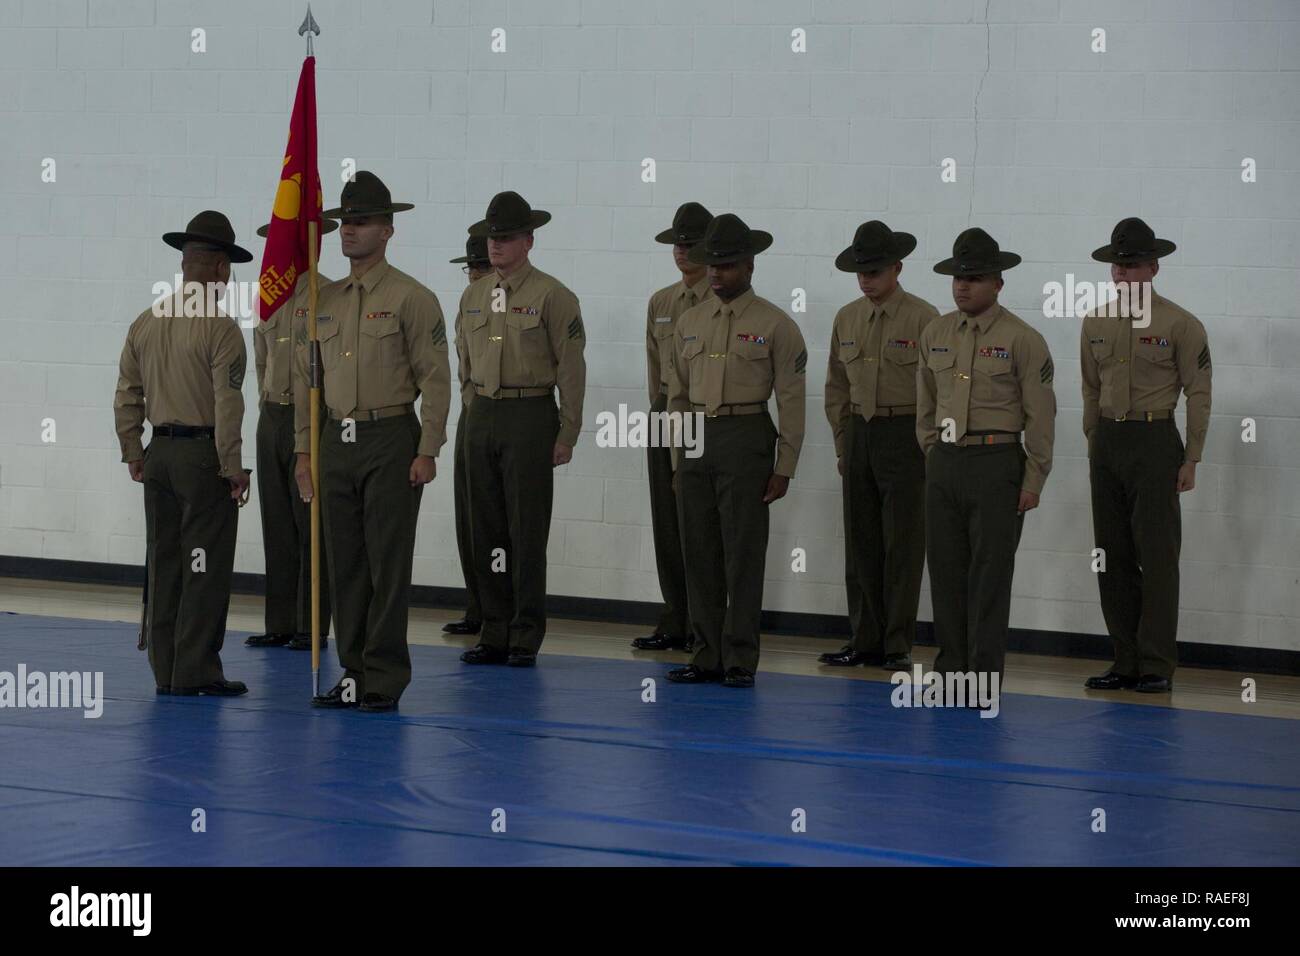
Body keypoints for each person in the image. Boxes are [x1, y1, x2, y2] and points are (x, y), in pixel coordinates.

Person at [293, 171, 451, 713]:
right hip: (336, 437)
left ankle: (384, 675)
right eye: (344, 222)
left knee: (387, 563)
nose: (348, 231)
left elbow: (435, 377)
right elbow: (305, 383)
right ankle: (353, 672)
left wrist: (428, 448)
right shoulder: (325, 299)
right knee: (346, 565)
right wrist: (304, 450)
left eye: (361, 222)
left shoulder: (413, 297)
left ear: (388, 229)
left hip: (390, 437)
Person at [665, 213, 807, 689]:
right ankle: (705, 653)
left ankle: (740, 656)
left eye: (726, 266)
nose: (716, 273)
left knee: (742, 553)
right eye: (711, 265)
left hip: (747, 436)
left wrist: (784, 465)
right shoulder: (688, 322)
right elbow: (677, 396)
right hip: (697, 439)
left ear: (748, 266)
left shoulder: (775, 324)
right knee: (699, 551)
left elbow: (791, 402)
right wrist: (677, 458)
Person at [113, 210, 251, 696]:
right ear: (218, 269)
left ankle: (165, 671)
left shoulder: (146, 321)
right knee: (203, 566)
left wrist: (134, 449)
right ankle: (196, 672)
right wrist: (232, 468)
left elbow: (127, 394)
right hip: (202, 458)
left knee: (165, 563)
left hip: (159, 458)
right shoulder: (222, 329)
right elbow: (226, 404)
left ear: (184, 264)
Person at [917, 227, 1055, 693]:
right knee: (945, 571)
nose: (962, 286)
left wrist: (1033, 477)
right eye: (957, 277)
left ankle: (981, 679)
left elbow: (1040, 415)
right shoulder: (935, 333)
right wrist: (933, 451)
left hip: (997, 462)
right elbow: (926, 403)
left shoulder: (1023, 339)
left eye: (973, 278)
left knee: (989, 576)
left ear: (998, 282)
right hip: (946, 461)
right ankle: (950, 672)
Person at [1080, 218, 1212, 694]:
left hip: (1156, 442)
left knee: (1156, 557)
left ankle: (1156, 663)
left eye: (1134, 265)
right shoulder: (1095, 320)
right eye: (1119, 266)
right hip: (1109, 445)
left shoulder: (1180, 324)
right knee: (1111, 556)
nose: (1124, 274)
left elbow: (1199, 393)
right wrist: (1093, 440)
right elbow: (1090, 389)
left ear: (1154, 268)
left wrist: (1191, 457)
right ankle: (1125, 660)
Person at [456, 191, 587, 668]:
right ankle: (493, 627)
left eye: (507, 238)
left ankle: (525, 632)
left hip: (530, 413)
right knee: (486, 527)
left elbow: (571, 367)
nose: (496, 246)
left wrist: (567, 430)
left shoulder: (553, 295)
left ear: (529, 241)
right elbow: (463, 363)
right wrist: (473, 408)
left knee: (526, 529)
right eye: (492, 238)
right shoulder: (473, 295)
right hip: (483, 414)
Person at [822, 221, 938, 670]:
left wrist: (928, 444)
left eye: (874, 270)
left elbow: (936, 390)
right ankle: (863, 638)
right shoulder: (847, 318)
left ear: (897, 267)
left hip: (905, 434)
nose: (866, 279)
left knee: (903, 544)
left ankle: (896, 644)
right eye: (860, 271)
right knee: (861, 541)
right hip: (860, 434)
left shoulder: (924, 318)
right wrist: (842, 443)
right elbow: (835, 387)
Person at [246, 219, 335, 651]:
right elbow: (261, 362)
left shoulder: (328, 295)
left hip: (312, 417)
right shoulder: (267, 300)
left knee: (310, 526)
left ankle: (310, 624)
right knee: (277, 523)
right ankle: (279, 622)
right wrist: (269, 404)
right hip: (273, 415)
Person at [631, 201, 713, 653]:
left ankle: (705, 623)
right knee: (667, 520)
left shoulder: (719, 300)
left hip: (705, 411)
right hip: (665, 411)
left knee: (699, 524)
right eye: (678, 244)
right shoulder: (662, 302)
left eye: (691, 243)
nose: (682, 252)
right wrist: (660, 412)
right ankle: (675, 617)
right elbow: (652, 363)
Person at [442, 232, 493, 638]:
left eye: (482, 266)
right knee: (470, 520)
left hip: (502, 416)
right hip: (472, 417)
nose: (475, 274)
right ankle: (477, 606)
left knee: (501, 523)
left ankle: (503, 613)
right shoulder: (468, 305)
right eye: (472, 267)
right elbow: (463, 366)